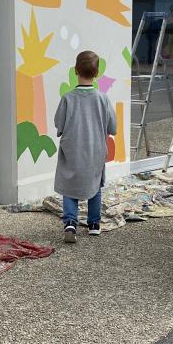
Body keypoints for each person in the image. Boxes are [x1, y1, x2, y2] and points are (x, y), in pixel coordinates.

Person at [53, 50, 117, 243]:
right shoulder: (103, 99)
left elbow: (59, 124)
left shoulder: (67, 98)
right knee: (94, 184)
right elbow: (112, 127)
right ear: (96, 73)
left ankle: (70, 222)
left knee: (69, 185)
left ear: (75, 70)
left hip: (72, 150)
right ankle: (94, 224)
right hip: (95, 151)